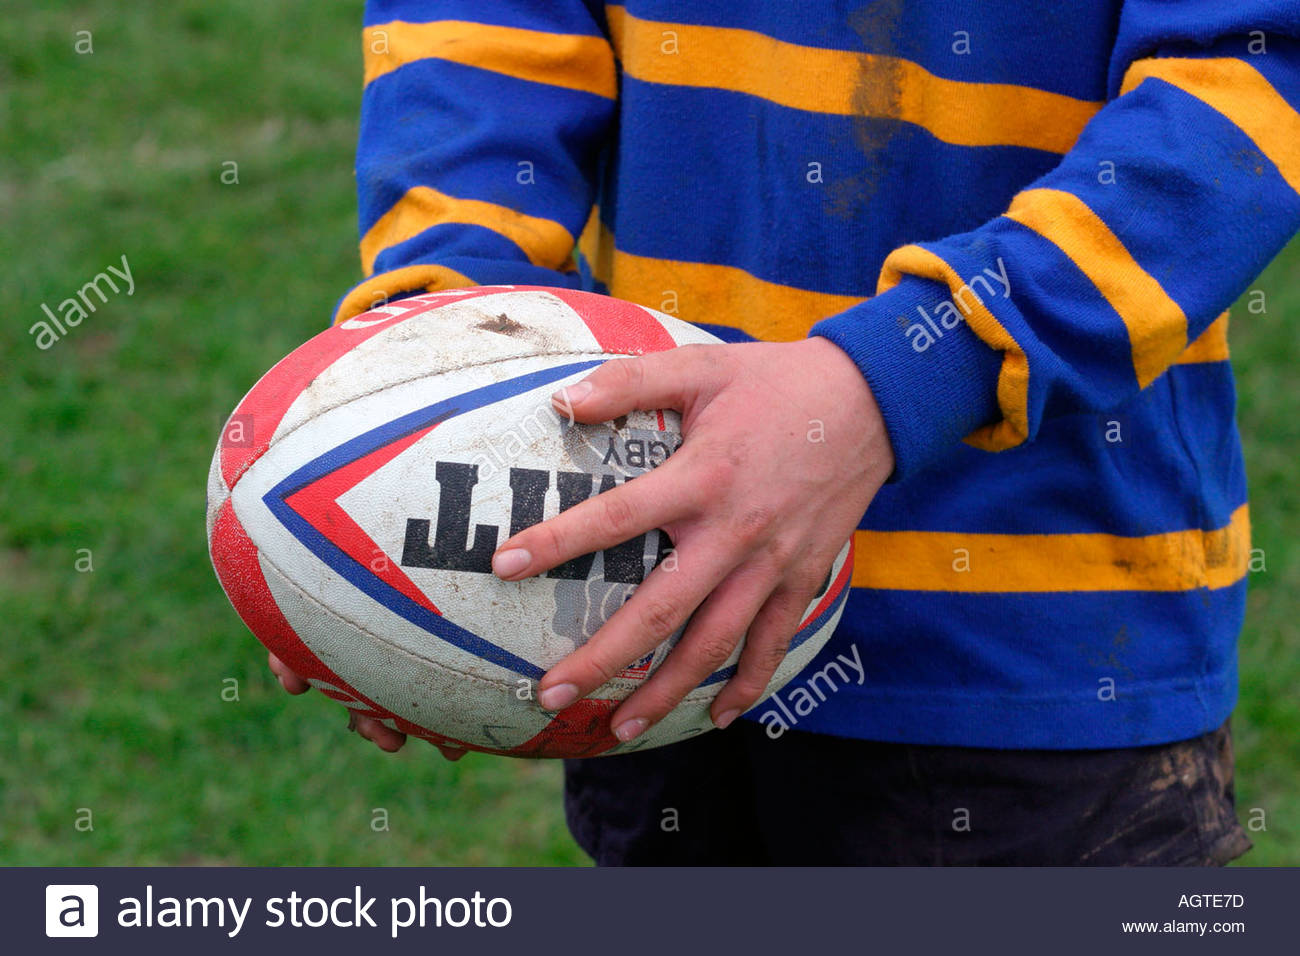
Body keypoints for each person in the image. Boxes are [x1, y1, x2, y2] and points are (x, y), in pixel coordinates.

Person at [269, 0, 1300, 863]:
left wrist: (901, 377)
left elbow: (1251, 75)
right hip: (635, 581)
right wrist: (459, 357)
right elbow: (486, 24)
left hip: (1028, 637)